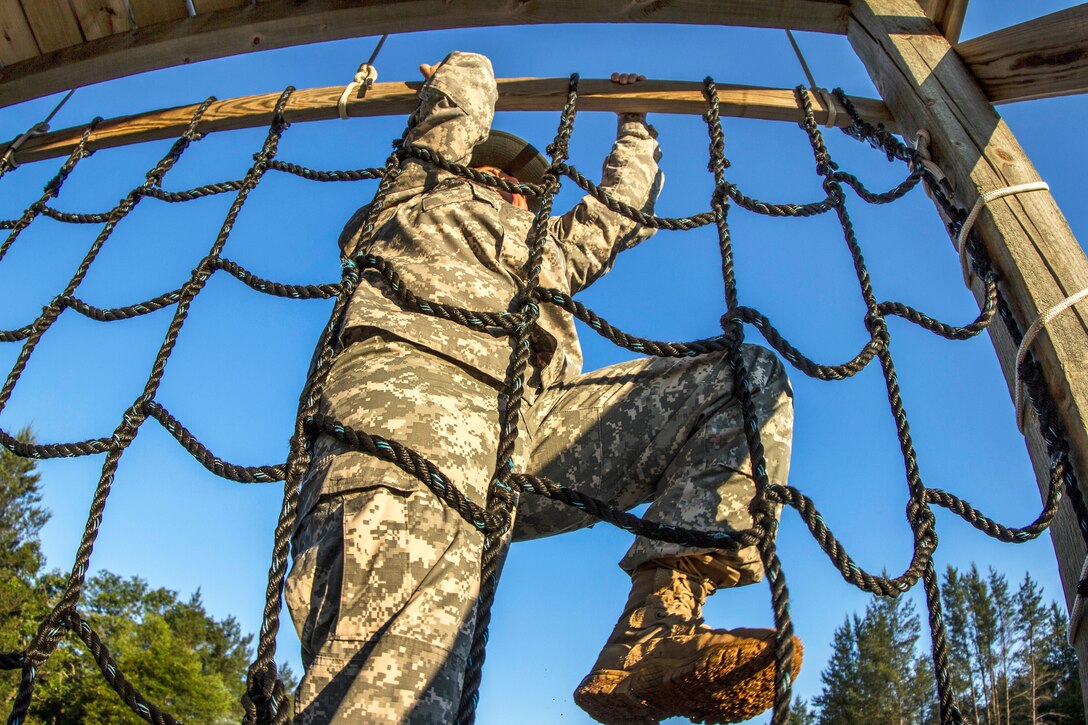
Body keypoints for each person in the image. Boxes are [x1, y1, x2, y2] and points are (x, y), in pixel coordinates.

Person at [285, 51, 799, 725]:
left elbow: (616, 215)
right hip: (406, 418)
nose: (513, 188)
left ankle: (656, 622)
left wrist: (635, 125)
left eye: (526, 185)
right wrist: (463, 66)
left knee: (743, 381)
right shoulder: (417, 193)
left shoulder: (544, 250)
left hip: (522, 436)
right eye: (495, 172)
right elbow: (455, 106)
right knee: (394, 702)